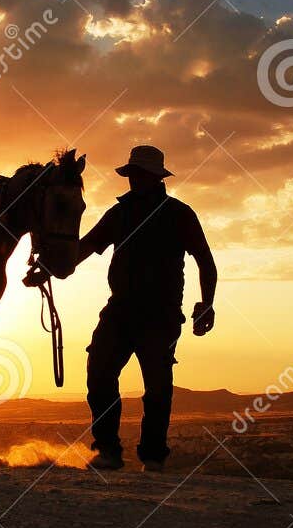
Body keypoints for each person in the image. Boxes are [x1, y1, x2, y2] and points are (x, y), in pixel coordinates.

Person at [28, 145, 216, 471]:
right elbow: (86, 247)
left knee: (157, 386)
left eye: (138, 174)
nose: (133, 180)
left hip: (161, 314)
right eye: (132, 174)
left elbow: (206, 261)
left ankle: (152, 456)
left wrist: (207, 304)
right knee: (99, 373)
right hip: (121, 310)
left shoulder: (179, 214)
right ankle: (109, 451)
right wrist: (47, 268)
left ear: (155, 177)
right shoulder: (120, 213)